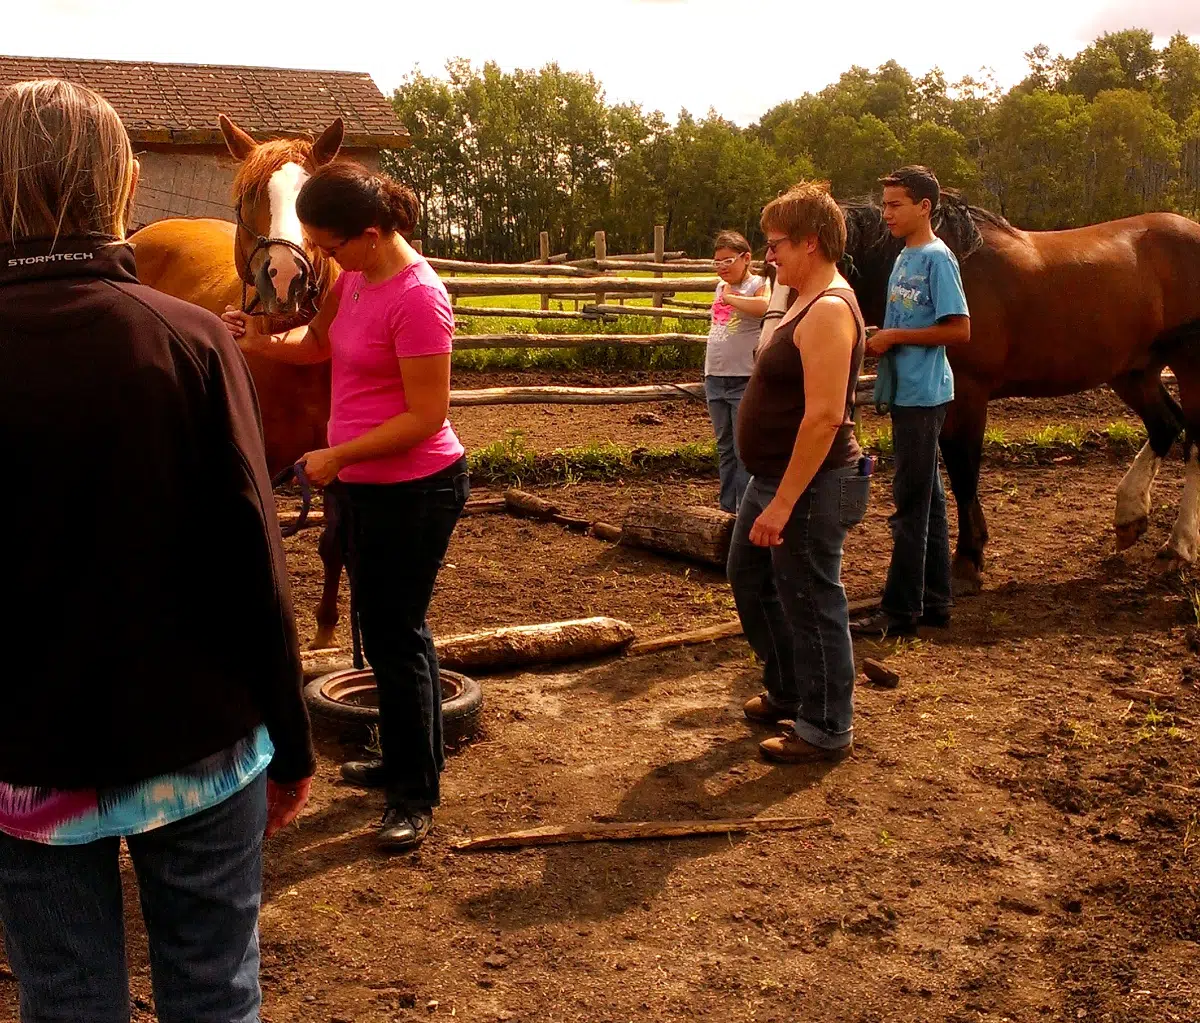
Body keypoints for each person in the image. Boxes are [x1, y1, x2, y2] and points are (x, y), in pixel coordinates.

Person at [0, 79, 314, 1023]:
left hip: (26, 758)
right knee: (214, 993)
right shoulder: (191, 340)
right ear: (122, 183)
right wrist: (292, 739)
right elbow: (254, 559)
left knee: (65, 998)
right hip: (198, 746)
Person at [223, 162, 468, 852]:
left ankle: (414, 794)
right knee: (380, 627)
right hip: (365, 484)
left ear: (369, 231)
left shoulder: (419, 298)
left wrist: (340, 454)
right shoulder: (358, 278)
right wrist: (257, 338)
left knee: (400, 636)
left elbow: (427, 414)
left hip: (416, 488)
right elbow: (320, 344)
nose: (325, 260)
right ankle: (400, 757)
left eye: (330, 246)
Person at [728, 182, 872, 764]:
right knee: (751, 576)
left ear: (811, 244)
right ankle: (789, 687)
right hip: (778, 479)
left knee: (812, 599)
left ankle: (826, 727)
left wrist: (783, 504)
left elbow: (825, 418)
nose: (769, 256)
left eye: (777, 244)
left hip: (810, 484)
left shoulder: (830, 311)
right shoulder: (804, 302)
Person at [851, 166, 970, 639]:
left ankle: (899, 611)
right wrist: (883, 336)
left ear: (924, 206)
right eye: (884, 205)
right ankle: (936, 601)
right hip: (906, 390)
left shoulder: (938, 259)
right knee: (929, 499)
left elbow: (960, 329)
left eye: (895, 204)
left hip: (925, 394)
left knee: (909, 503)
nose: (886, 214)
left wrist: (896, 335)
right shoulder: (905, 255)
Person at [704, 230, 769, 513]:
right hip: (715, 376)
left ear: (746, 258)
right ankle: (726, 508)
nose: (722, 267)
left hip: (743, 377)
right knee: (724, 448)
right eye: (717, 262)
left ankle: (745, 510)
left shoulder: (759, 283)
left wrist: (731, 299)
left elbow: (764, 307)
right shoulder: (722, 287)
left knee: (744, 450)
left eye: (727, 260)